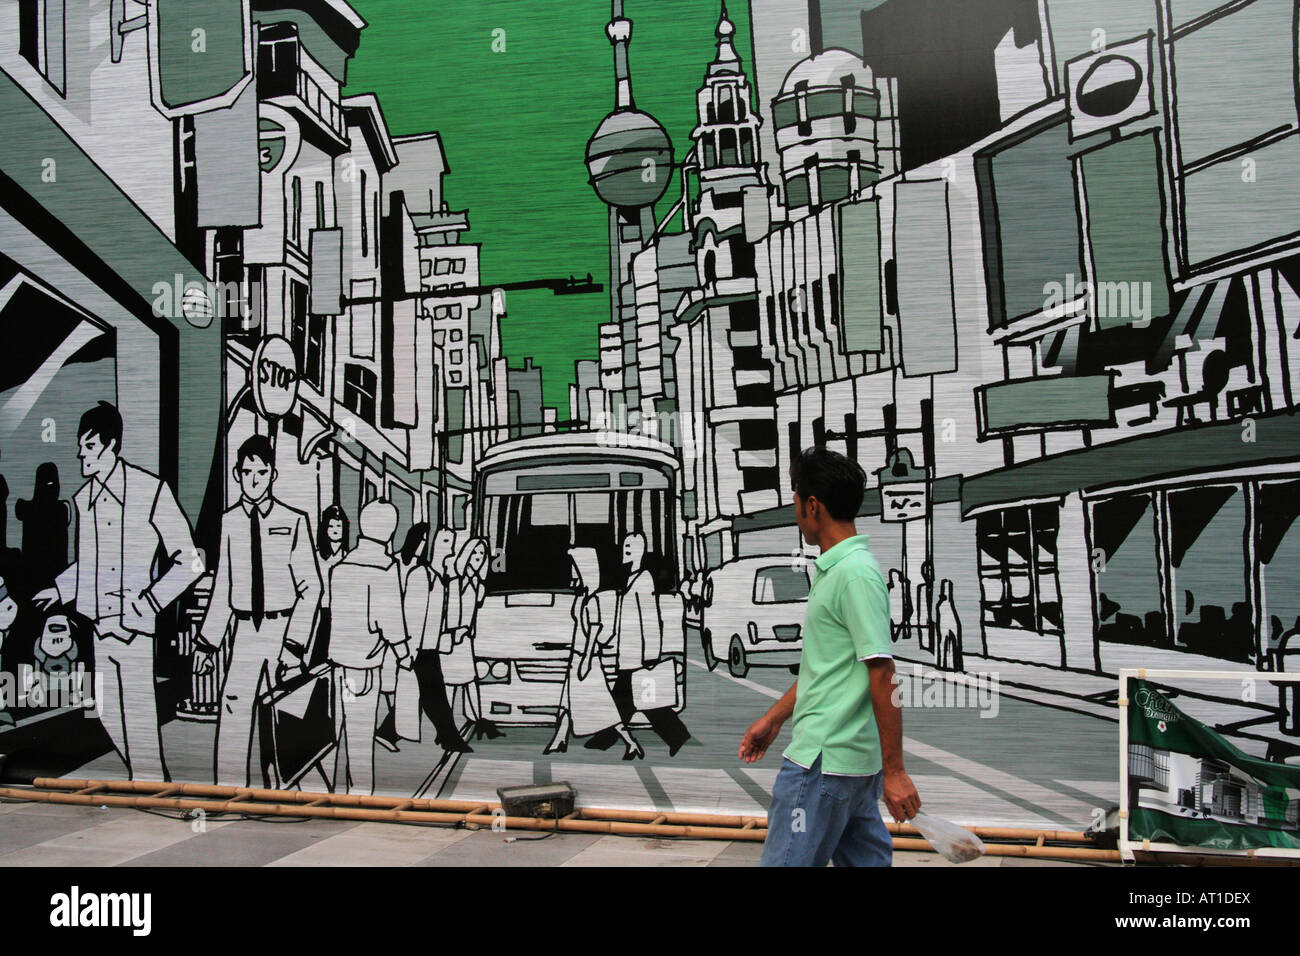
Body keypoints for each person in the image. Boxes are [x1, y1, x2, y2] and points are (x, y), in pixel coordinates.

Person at [740, 446, 921, 867]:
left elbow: (882, 671)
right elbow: (830, 670)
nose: (795, 509)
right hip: (849, 770)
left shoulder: (853, 573)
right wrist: (774, 719)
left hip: (821, 767)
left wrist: (895, 771)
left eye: (796, 498)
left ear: (813, 505)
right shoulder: (839, 569)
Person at [33, 402, 202, 781]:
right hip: (98, 628)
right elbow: (90, 563)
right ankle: (152, 781)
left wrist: (151, 602)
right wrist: (60, 589)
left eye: (89, 446)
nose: (81, 454)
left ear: (111, 446)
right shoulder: (82, 500)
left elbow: (190, 561)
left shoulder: (150, 490)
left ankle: (152, 785)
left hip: (134, 627)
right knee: (108, 714)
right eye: (80, 445)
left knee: (140, 719)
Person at [195, 435, 322, 787]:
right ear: (237, 474)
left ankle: (286, 788)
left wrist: (294, 645)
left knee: (286, 716)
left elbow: (311, 588)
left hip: (282, 630)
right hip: (244, 632)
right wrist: (207, 644)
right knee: (234, 707)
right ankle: (228, 789)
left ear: (272, 475)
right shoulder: (231, 521)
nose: (253, 479)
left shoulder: (293, 520)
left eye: (261, 472)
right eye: (247, 471)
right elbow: (224, 585)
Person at [327, 499, 412, 795]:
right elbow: (389, 620)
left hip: (336, 664)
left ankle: (322, 792)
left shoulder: (341, 566)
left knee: (333, 735)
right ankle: (359, 796)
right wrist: (404, 654)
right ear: (390, 532)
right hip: (363, 668)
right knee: (360, 738)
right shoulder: (385, 568)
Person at [584, 533, 691, 756]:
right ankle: (675, 736)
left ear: (641, 551)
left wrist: (651, 655)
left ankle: (606, 738)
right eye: (624, 546)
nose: (625, 551)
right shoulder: (632, 579)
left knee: (630, 701)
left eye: (630, 547)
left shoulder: (643, 580)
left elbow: (650, 618)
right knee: (632, 701)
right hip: (630, 653)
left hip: (638, 656)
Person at [544, 547, 642, 759]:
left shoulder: (592, 601)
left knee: (603, 707)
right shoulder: (583, 598)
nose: (572, 575)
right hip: (577, 657)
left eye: (575, 571)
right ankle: (559, 739)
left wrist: (587, 659)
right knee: (566, 703)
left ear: (584, 572)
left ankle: (631, 743)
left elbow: (595, 629)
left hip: (585, 658)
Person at [374, 522, 429, 752]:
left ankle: (390, 732)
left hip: (411, 636)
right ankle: (388, 731)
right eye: (422, 539)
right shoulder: (394, 563)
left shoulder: (422, 569)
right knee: (395, 685)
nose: (424, 544)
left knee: (407, 686)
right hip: (393, 635)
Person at [444, 536, 503, 740]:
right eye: (475, 553)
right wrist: (456, 630)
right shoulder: (456, 581)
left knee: (468, 681)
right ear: (466, 555)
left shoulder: (478, 584)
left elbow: (473, 613)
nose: (478, 557)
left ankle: (477, 722)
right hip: (454, 638)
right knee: (453, 683)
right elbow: (451, 608)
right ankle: (449, 726)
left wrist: (467, 631)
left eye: (481, 554)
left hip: (465, 638)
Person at [14, 463, 71, 591]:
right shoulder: (62, 509)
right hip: (55, 575)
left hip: (33, 574)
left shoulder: (27, 508)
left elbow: (20, 509)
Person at [309, 503, 350, 669]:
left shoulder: (347, 557)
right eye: (331, 525)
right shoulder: (316, 556)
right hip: (320, 609)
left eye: (339, 525)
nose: (335, 529)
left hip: (339, 611)